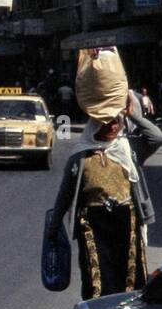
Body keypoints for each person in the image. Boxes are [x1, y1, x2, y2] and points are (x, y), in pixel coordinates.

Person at [48, 113, 154, 299]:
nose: (113, 128)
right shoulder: (80, 156)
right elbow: (65, 194)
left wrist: (131, 114)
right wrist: (54, 225)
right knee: (97, 274)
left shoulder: (127, 149)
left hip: (125, 219)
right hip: (93, 222)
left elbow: (156, 137)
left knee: (128, 273)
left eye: (116, 123)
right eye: (107, 124)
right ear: (95, 126)